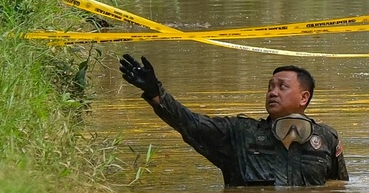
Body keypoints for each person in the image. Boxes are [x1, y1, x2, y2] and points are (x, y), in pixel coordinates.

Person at [119, 54, 349, 186]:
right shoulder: (238, 133)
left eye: (282, 87)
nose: (272, 92)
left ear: (304, 97)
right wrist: (155, 93)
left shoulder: (326, 138)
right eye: (270, 87)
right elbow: (191, 124)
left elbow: (338, 191)